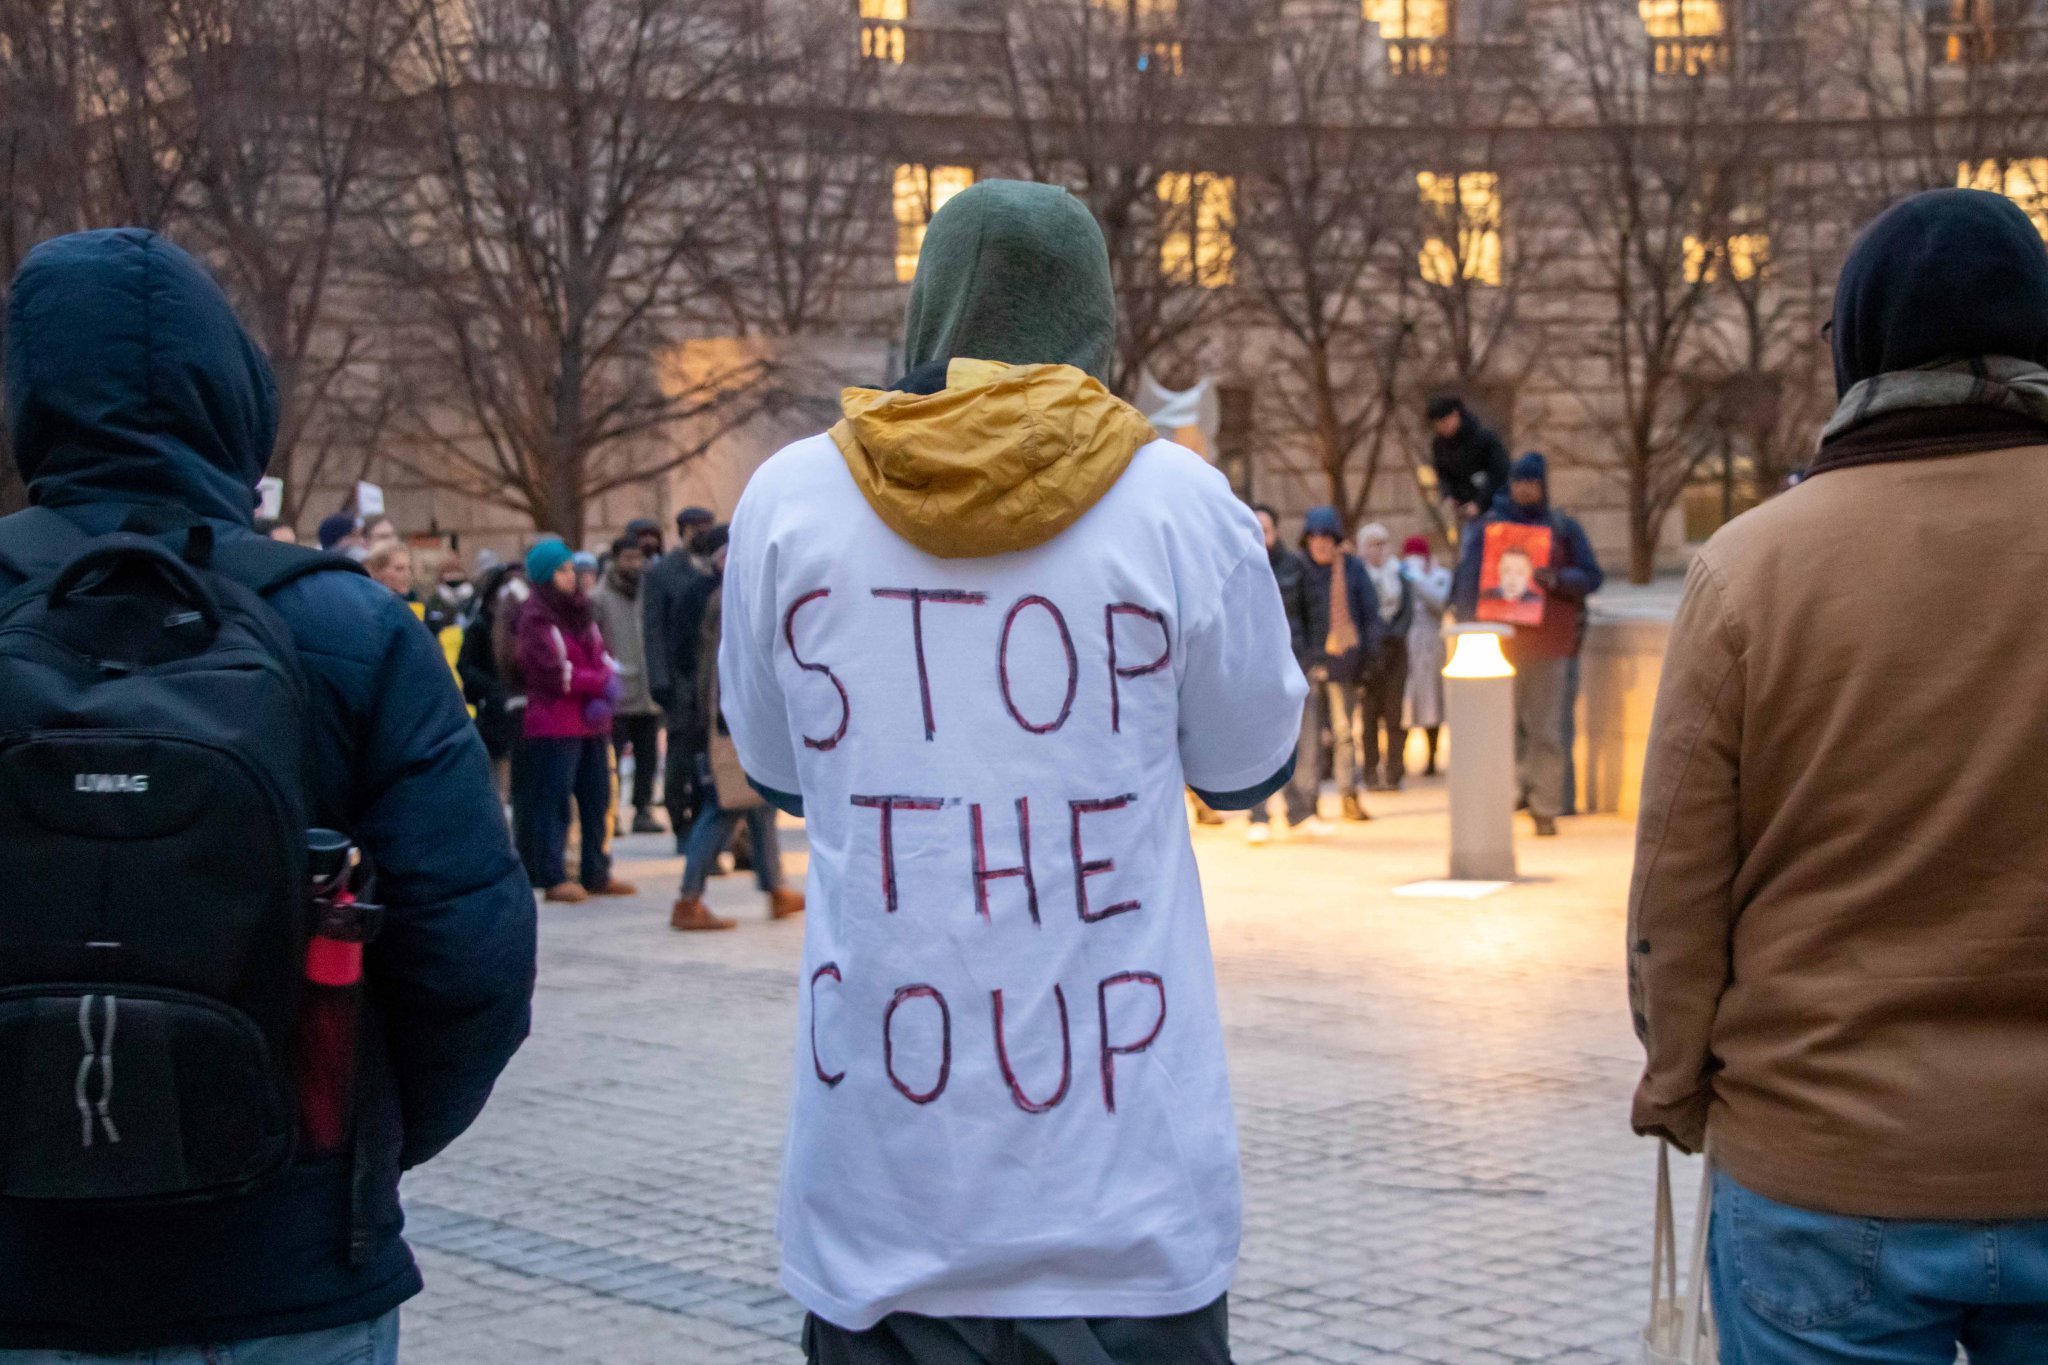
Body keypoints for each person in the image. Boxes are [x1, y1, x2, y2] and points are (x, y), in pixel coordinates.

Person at [718, 179, 1306, 1364]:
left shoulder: (786, 501)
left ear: (928, 311)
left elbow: (776, 769)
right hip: (1125, 1209)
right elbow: (1249, 765)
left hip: (878, 1201)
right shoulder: (1179, 503)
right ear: (1094, 324)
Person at [0, 229, 535, 1362]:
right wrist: (350, 1144)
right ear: (234, 394)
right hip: (287, 1264)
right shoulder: (349, 622)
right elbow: (472, 956)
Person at [1630, 187, 2048, 1365]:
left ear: (1852, 349)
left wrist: (1676, 1084)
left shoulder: (1750, 569)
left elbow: (1675, 884)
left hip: (1823, 1155)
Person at [1452, 452, 1600, 837]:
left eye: (1532, 483)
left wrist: (1558, 579)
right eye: (1519, 483)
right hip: (1500, 644)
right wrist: (1467, 626)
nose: (1525, 490)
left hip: (1549, 644)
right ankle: (1514, 794)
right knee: (1504, 728)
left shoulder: (1562, 527)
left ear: (1543, 485)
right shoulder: (1491, 529)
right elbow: (1467, 580)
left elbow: (1592, 576)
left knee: (1546, 730)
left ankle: (1546, 807)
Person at [669, 534, 804, 932]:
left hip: (738, 716)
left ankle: (776, 888)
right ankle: (688, 899)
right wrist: (725, 719)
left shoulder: (734, 593)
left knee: (759, 805)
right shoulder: (725, 598)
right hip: (727, 721)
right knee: (724, 806)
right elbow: (717, 667)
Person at [512, 538, 637, 904]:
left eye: (571, 569)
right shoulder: (535, 616)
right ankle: (553, 876)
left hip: (591, 723)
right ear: (545, 576)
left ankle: (596, 871)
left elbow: (601, 653)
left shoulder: (583, 612)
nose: (572, 576)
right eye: (562, 570)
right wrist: (599, 683)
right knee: (555, 802)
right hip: (554, 724)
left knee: (598, 799)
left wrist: (609, 679)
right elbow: (552, 672)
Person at [1246, 504, 1324, 844]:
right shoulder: (1238, 568)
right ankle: (1258, 815)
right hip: (1254, 670)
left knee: (1299, 743)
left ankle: (1300, 813)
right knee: (1257, 745)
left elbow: (1314, 614)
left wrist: (1315, 658)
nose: (1260, 537)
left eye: (1265, 530)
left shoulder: (1296, 566)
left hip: (1295, 665)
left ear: (1276, 532)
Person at [644, 511, 722, 848]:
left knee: (710, 758)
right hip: (680, 679)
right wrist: (660, 679)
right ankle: (681, 821)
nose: (702, 534)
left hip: (711, 681)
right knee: (680, 756)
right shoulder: (664, 572)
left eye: (707, 528)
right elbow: (654, 629)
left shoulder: (717, 570)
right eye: (695, 529)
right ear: (681, 532)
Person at [1300, 505, 1381, 822]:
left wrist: (1369, 658)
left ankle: (1349, 795)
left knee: (1344, 732)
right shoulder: (1301, 570)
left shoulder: (1351, 569)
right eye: (1313, 537)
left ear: (1335, 539)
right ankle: (1308, 801)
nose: (1319, 543)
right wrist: (1308, 658)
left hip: (1343, 663)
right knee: (1309, 738)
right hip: (1308, 666)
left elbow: (1369, 614)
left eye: (1325, 537)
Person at [591, 534, 666, 835]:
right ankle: (611, 813)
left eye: (639, 558)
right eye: (628, 558)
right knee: (612, 759)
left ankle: (642, 810)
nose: (635, 564)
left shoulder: (650, 591)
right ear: (615, 560)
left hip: (648, 691)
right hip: (617, 692)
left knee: (647, 758)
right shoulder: (599, 598)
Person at [1356, 523, 1414, 792]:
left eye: (1383, 543)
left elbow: (1408, 610)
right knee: (1369, 717)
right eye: (1373, 544)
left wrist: (1394, 632)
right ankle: (1370, 770)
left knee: (1394, 714)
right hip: (1369, 654)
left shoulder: (1400, 573)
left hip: (1396, 651)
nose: (1379, 550)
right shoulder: (1357, 575)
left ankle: (1394, 771)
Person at [460, 560, 526, 794]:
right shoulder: (480, 625)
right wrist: (492, 689)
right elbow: (465, 666)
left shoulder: (526, 621)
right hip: (493, 708)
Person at [1400, 536, 1451, 778]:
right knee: (1406, 702)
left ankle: (1432, 757)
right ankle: (1399, 760)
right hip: (1406, 644)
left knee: (1432, 702)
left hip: (1432, 646)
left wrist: (1418, 579)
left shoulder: (1440, 576)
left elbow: (1440, 603)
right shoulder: (1400, 575)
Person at [1426, 397, 1511, 528]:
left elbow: (1499, 474)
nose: (1442, 428)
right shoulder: (1439, 445)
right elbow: (1442, 474)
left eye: (1444, 422)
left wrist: (1479, 503)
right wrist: (1448, 495)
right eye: (1437, 425)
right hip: (1465, 510)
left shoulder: (1485, 438)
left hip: (1494, 508)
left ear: (1455, 415)